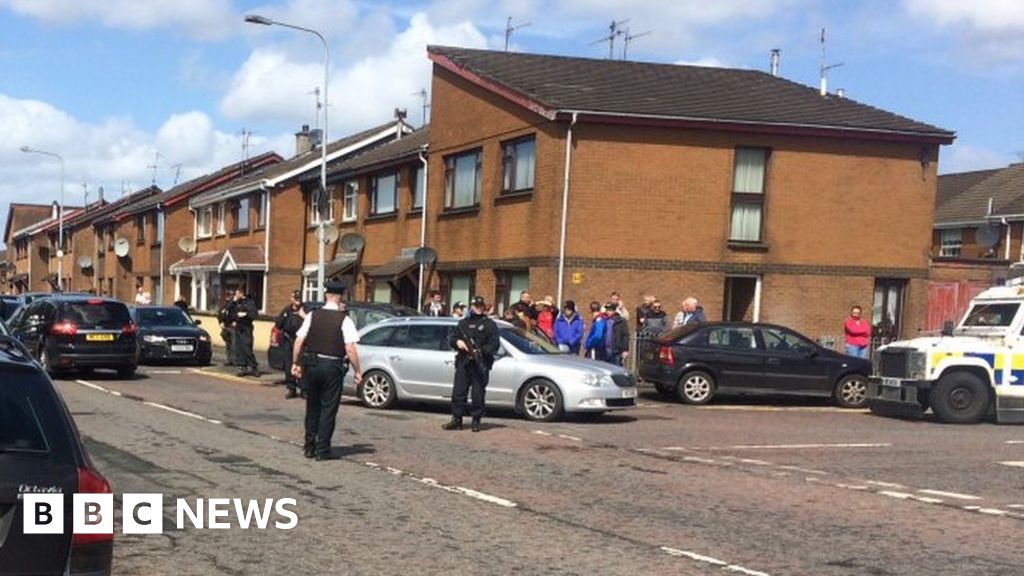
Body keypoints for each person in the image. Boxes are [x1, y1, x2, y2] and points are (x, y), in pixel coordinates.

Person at [291, 281, 361, 460]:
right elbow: (350, 348)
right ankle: (322, 449)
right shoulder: (344, 319)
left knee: (312, 406)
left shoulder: (312, 315)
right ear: (340, 297)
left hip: (312, 364)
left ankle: (309, 446)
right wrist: (357, 371)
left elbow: (298, 341)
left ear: (326, 295)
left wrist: (295, 363)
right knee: (328, 408)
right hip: (332, 366)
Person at [444, 295, 500, 432]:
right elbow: (453, 338)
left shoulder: (489, 324)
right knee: (458, 392)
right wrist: (458, 343)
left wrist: (481, 351)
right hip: (464, 361)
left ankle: (476, 420)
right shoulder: (463, 323)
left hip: (480, 362)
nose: (478, 309)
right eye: (475, 306)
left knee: (478, 394)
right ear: (471, 307)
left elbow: (494, 343)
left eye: (480, 306)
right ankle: (457, 419)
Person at [277, 290, 307, 399]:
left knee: (302, 365)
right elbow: (278, 324)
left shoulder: (305, 310)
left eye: (299, 298)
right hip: (289, 340)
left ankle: (304, 389)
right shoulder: (287, 311)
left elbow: (311, 323)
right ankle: (291, 388)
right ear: (292, 299)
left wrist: (303, 316)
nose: (298, 301)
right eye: (296, 298)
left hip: (302, 342)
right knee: (289, 365)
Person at [232, 289, 260, 377]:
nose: (236, 295)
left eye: (237, 294)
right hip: (238, 327)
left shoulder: (249, 302)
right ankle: (242, 367)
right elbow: (229, 311)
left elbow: (254, 314)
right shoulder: (235, 303)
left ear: (241, 293)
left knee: (247, 347)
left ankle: (254, 367)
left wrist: (246, 314)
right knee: (239, 348)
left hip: (246, 327)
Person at [603, 302, 630, 366]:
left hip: (616, 351)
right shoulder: (603, 320)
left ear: (614, 310)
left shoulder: (621, 321)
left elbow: (625, 335)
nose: (608, 312)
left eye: (610, 310)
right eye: (607, 310)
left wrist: (625, 349)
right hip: (604, 351)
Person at [217, 294, 238, 366]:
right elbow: (220, 314)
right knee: (228, 345)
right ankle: (229, 359)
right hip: (226, 327)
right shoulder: (224, 307)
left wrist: (236, 321)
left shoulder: (235, 306)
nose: (228, 298)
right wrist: (220, 322)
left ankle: (235, 360)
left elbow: (236, 315)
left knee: (234, 344)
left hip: (233, 327)